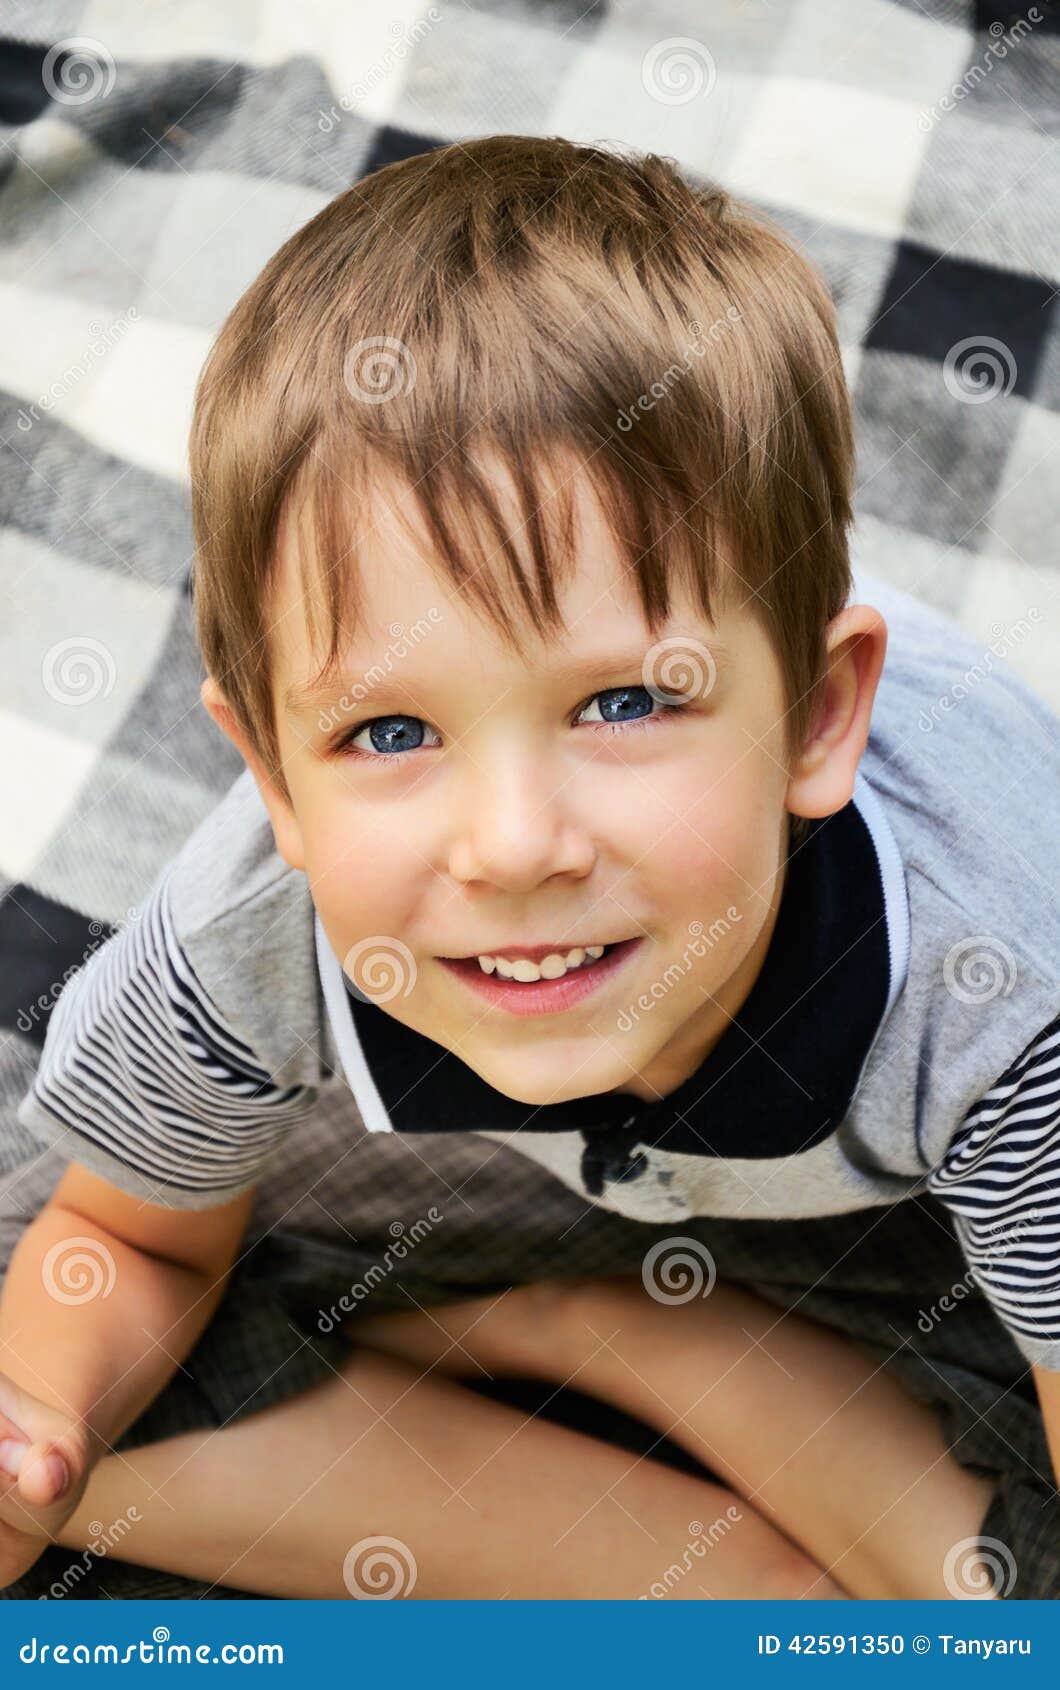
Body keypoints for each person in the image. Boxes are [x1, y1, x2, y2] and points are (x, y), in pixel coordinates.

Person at [1, 135, 1057, 1602]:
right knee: (27, 1255)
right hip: (509, 1181)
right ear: (274, 779)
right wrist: (40, 1435)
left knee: (1018, 1594)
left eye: (625, 704)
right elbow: (129, 1243)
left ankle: (634, 1342)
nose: (510, 847)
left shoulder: (1000, 992)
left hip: (904, 1225)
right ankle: (697, 1537)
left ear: (817, 716)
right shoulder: (252, 932)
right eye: (388, 730)